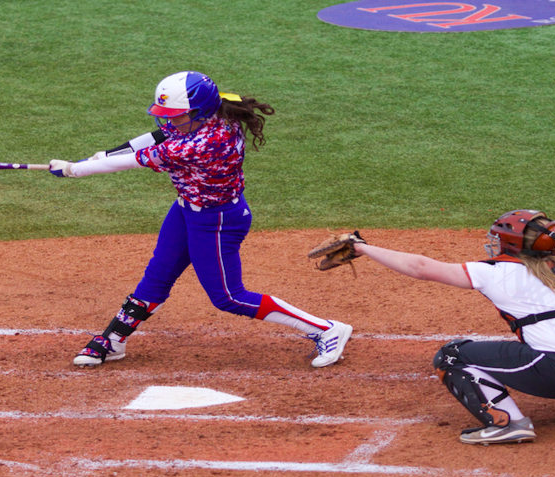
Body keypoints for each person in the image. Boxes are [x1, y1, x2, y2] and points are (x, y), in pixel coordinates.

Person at [48, 71, 352, 368]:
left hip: (217, 221)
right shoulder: (207, 113)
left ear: (199, 110)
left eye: (176, 114)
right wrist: (105, 153)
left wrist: (75, 169)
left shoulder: (200, 145)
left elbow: (136, 159)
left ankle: (326, 329)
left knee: (228, 297)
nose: (169, 120)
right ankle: (114, 340)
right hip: (186, 211)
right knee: (157, 277)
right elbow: (158, 134)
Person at [349, 210, 555, 445]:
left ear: (510, 243)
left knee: (451, 356)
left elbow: (420, 267)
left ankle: (508, 423)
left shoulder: (494, 271)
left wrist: (361, 247)